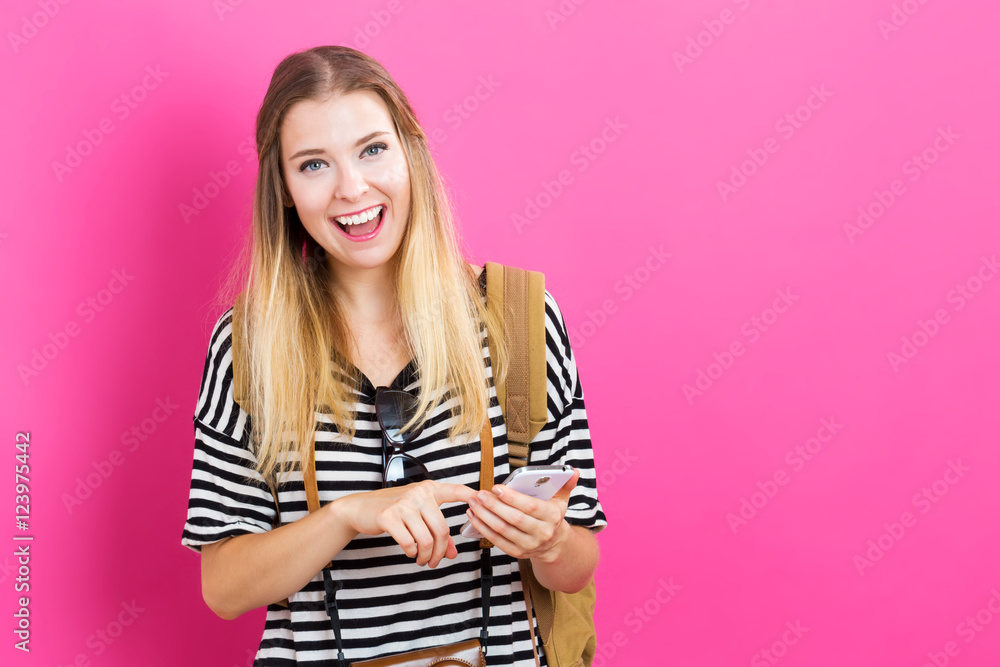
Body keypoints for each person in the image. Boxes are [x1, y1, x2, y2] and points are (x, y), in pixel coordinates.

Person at [180, 45, 606, 666]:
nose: (352, 188)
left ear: (412, 153)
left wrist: (548, 540)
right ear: (285, 191)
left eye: (373, 149)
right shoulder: (247, 348)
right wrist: (347, 515)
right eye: (313, 164)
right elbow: (222, 588)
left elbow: (577, 565)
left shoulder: (521, 318)